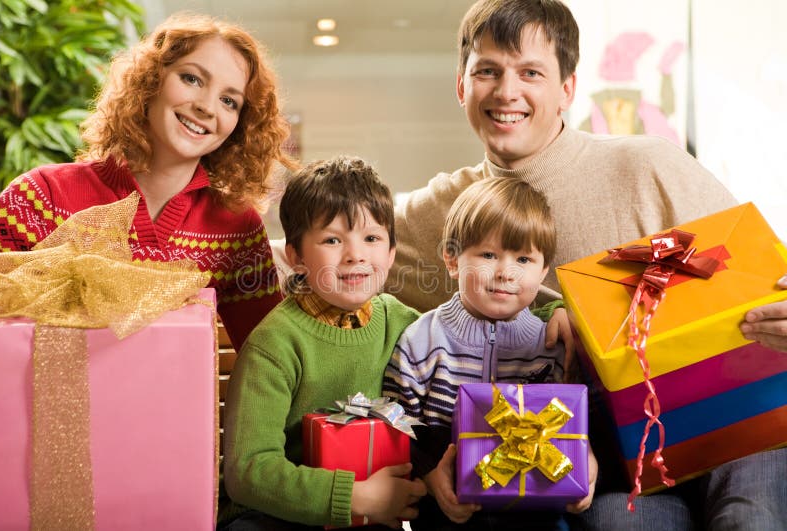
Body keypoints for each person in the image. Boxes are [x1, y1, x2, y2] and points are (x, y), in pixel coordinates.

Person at [387, 0, 787, 529]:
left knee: (751, 518)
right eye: (487, 71)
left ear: (567, 90)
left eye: (531, 72)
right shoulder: (441, 211)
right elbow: (314, 251)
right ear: (461, 86)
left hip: (737, 420)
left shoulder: (648, 163)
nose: (507, 92)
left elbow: (761, 271)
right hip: (622, 464)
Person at [0, 13, 294, 351]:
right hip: (50, 401)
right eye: (192, 78)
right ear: (151, 80)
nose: (207, 106)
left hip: (177, 404)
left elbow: (270, 355)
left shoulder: (237, 228)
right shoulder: (38, 197)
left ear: (240, 124)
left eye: (229, 101)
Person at [219, 155, 427, 530]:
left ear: (391, 252)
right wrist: (357, 497)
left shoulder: (400, 322)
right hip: (277, 515)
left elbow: (467, 328)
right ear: (296, 256)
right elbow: (248, 471)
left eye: (372, 238)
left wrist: (553, 312)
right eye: (332, 239)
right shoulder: (275, 344)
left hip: (374, 510)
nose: (356, 255)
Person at [384, 177, 597, 530]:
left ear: (544, 270)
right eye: (488, 254)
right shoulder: (421, 341)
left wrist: (588, 467)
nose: (505, 272)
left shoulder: (554, 346)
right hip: (450, 512)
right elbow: (396, 426)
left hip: (539, 514)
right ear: (452, 260)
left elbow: (581, 432)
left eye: (524, 258)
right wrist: (428, 479)